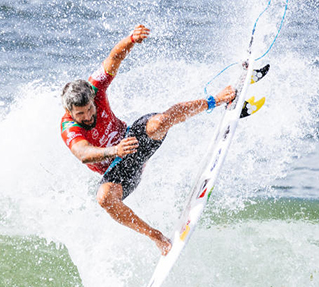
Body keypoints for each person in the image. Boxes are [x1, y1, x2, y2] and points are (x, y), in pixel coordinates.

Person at [60, 25, 236, 255]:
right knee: (104, 198)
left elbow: (114, 57)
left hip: (131, 139)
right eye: (80, 114)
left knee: (160, 121)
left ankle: (215, 100)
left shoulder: (96, 89)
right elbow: (83, 154)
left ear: (93, 99)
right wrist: (115, 151)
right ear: (70, 111)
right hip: (120, 170)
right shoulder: (69, 127)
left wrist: (132, 39)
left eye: (89, 109)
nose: (87, 116)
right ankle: (156, 236)